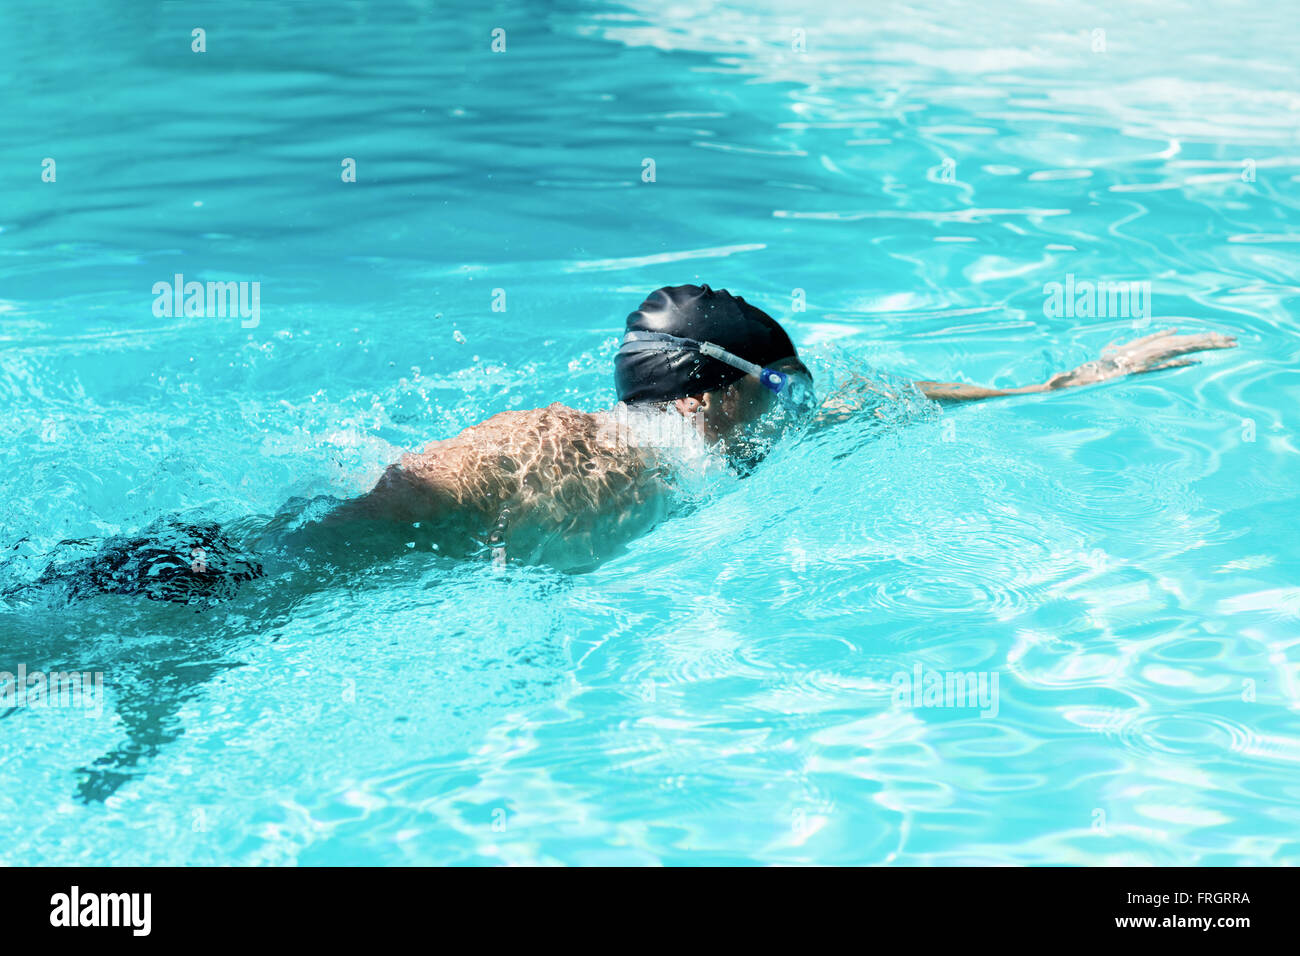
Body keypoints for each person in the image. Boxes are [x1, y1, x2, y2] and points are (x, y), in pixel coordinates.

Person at [19, 283, 1237, 599]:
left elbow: (893, 397)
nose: (796, 407)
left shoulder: (731, 444)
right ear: (710, 387)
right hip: (297, 549)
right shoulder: (558, 449)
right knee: (228, 585)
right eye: (777, 385)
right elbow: (404, 499)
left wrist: (1072, 377)